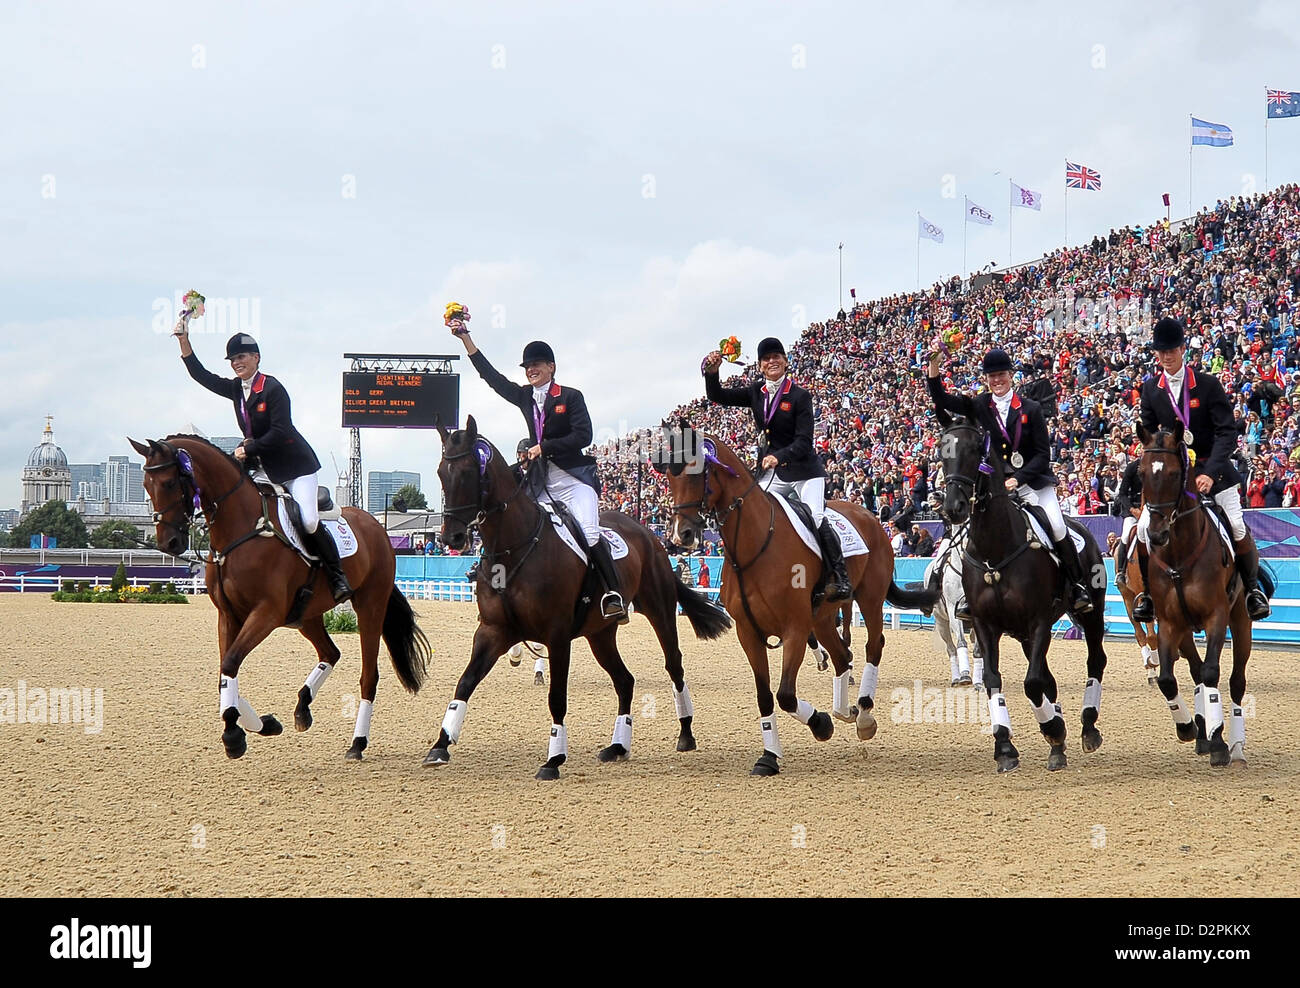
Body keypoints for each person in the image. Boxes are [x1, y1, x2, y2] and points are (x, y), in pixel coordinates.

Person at [450, 319, 627, 623]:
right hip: (541, 482)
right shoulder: (525, 397)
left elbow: (584, 436)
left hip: (573, 480)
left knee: (589, 531)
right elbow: (492, 378)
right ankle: (498, 589)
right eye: (527, 366)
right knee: (512, 526)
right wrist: (466, 338)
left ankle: (613, 594)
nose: (530, 369)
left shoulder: (570, 397)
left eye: (536, 364)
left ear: (551, 367)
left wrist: (545, 446)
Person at [176, 327, 352, 602]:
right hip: (261, 468)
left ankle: (336, 576)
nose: (237, 363)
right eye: (233, 359)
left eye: (242, 357)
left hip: (294, 468)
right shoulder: (237, 389)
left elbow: (281, 431)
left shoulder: (272, 388)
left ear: (256, 358)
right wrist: (184, 341)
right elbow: (202, 376)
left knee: (307, 519)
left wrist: (249, 447)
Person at [927, 347, 1093, 616]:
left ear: (1011, 375)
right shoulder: (980, 405)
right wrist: (933, 368)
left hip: (1033, 484)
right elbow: (941, 399)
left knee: (1057, 526)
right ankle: (973, 595)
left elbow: (1042, 454)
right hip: (996, 489)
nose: (997, 380)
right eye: (992, 376)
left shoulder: (1031, 408)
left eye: (1001, 374)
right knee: (975, 533)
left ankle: (1076, 587)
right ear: (986, 379)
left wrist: (1018, 479)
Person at [1133, 317, 1270, 621]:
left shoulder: (1207, 384)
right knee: (1143, 529)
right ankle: (1147, 595)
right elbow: (1151, 437)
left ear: (1183, 349)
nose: (1167, 357)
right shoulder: (1151, 390)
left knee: (1234, 524)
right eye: (1161, 352)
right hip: (1174, 477)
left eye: (1172, 351)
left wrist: (1210, 472)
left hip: (1213, 469)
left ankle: (1252, 590)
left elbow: (1227, 432)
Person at [701, 337, 851, 602]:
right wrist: (712, 374)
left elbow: (804, 441)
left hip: (804, 472)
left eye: (777, 357)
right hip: (772, 475)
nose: (772, 361)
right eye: (767, 358)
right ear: (760, 365)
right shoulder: (756, 392)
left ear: (785, 361)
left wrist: (777, 457)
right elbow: (717, 396)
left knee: (815, 516)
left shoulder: (800, 396)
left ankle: (837, 575)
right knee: (748, 513)